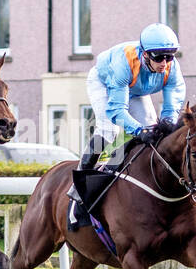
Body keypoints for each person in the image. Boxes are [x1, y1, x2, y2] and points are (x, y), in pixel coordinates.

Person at [78, 23, 187, 174]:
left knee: (151, 127)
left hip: (134, 90)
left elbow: (170, 109)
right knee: (109, 129)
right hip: (103, 82)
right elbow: (117, 111)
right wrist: (138, 131)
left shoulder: (172, 68)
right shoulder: (123, 64)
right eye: (159, 57)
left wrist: (167, 124)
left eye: (169, 56)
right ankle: (81, 175)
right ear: (145, 55)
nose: (164, 63)